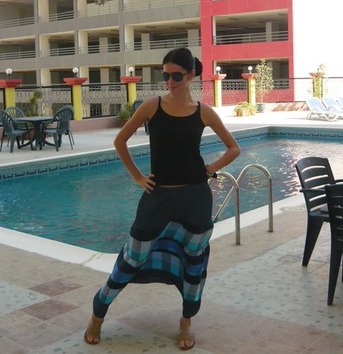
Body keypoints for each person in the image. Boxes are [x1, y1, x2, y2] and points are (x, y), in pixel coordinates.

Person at [84, 47, 240, 350]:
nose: (170, 81)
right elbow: (120, 141)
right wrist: (137, 177)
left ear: (191, 75)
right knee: (132, 257)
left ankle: (185, 323)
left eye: (176, 75)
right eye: (165, 75)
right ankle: (97, 314)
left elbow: (233, 148)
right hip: (158, 198)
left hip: (195, 199)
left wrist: (209, 169)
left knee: (194, 262)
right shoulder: (151, 106)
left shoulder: (203, 112)